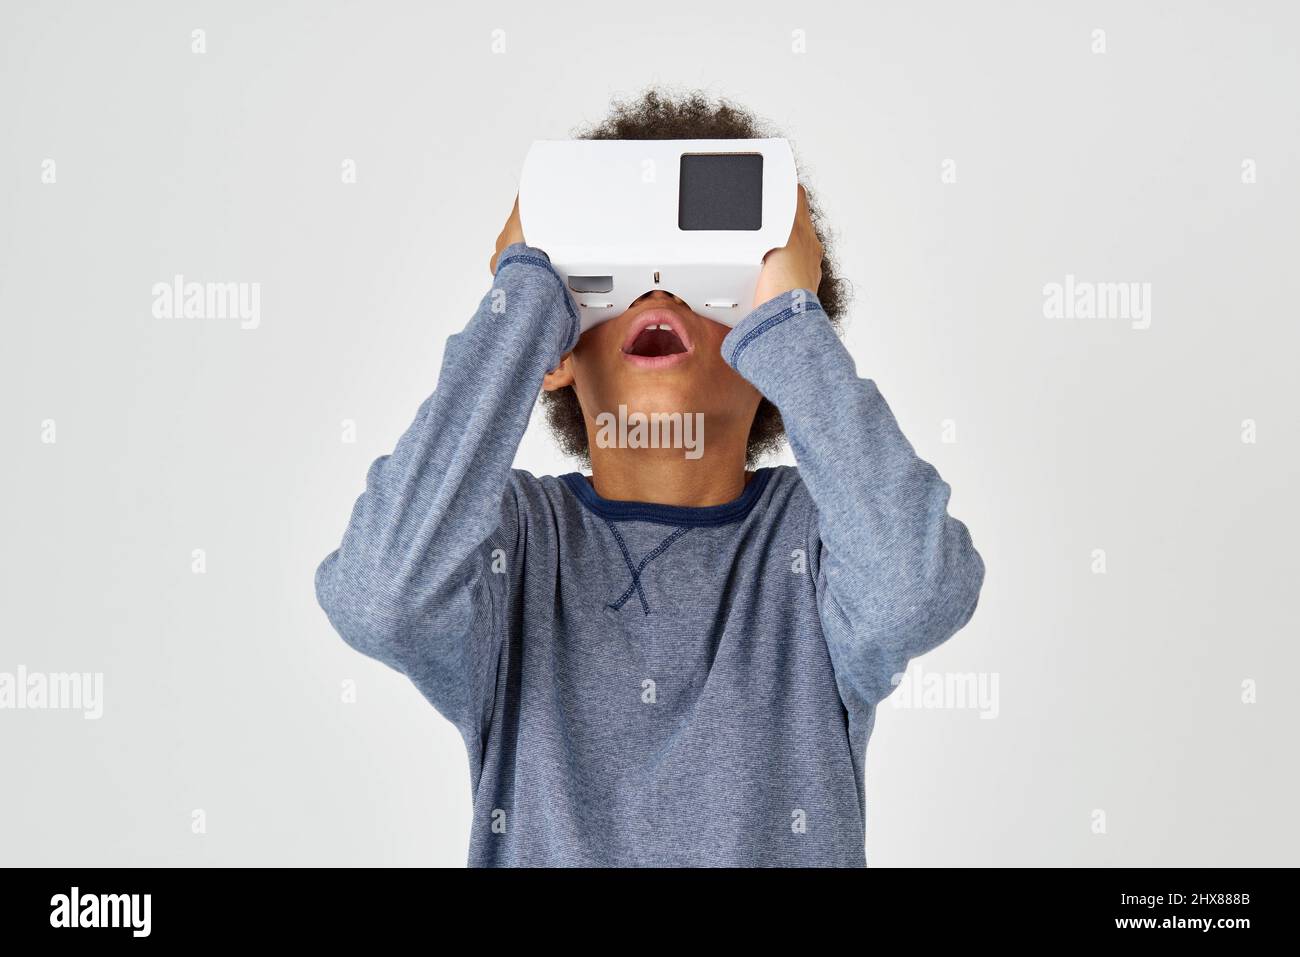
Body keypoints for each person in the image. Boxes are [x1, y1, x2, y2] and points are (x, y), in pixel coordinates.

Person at [315, 90, 985, 866]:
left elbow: (919, 591)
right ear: (561, 355)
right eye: (626, 275)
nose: (660, 292)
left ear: (767, 353)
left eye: (712, 284)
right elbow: (379, 595)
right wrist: (523, 299)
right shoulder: (515, 545)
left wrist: (795, 330)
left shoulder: (820, 543)